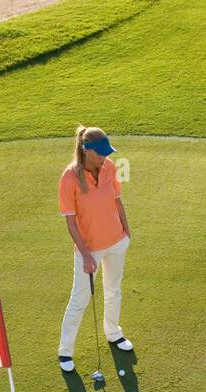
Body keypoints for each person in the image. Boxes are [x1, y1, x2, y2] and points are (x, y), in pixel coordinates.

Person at [56, 125, 134, 373]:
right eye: (100, 153)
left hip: (116, 243)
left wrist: (126, 232)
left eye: (107, 152)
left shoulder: (109, 168)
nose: (105, 157)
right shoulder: (69, 178)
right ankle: (65, 351)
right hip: (89, 250)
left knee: (114, 290)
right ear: (86, 150)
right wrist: (86, 253)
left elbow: (117, 200)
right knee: (79, 300)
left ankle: (113, 333)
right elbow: (70, 220)